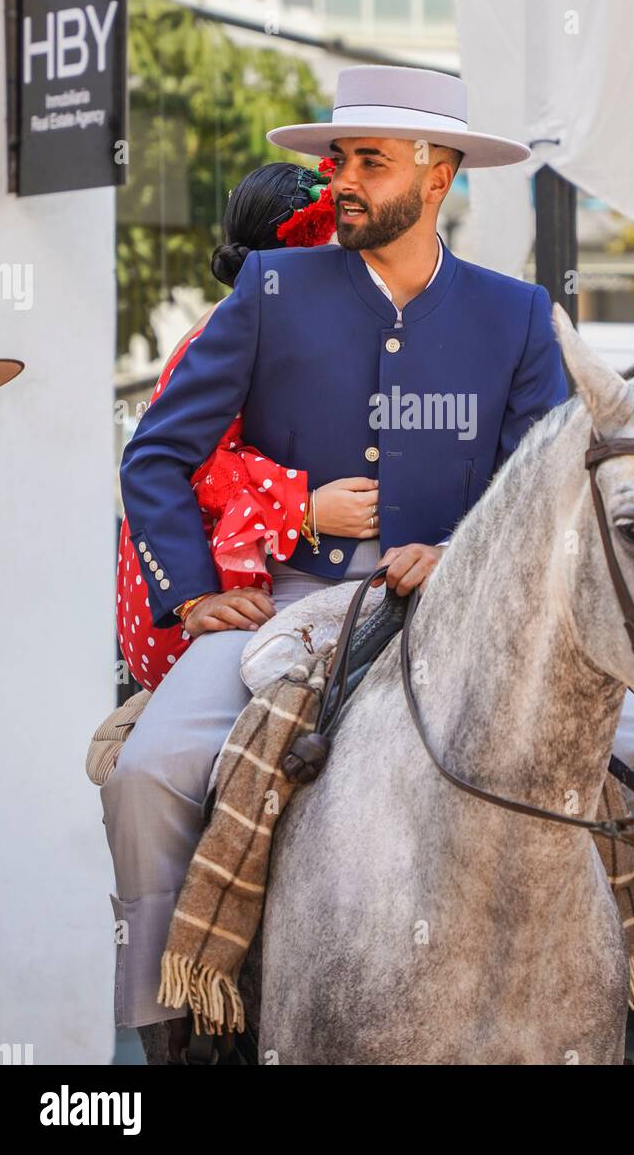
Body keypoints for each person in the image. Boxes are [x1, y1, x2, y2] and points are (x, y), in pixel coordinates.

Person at [101, 64, 567, 1056]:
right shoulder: (272, 288)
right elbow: (156, 454)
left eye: (369, 160)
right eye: (337, 159)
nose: (342, 179)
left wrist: (454, 554)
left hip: (456, 613)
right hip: (291, 601)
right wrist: (189, 597)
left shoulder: (517, 314)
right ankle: (166, 1023)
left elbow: (539, 489)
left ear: (436, 176)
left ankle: (620, 1014)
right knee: (146, 771)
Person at [116, 158, 383, 692]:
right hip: (194, 600)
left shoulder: (280, 324)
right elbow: (185, 468)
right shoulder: (234, 331)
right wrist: (306, 508)